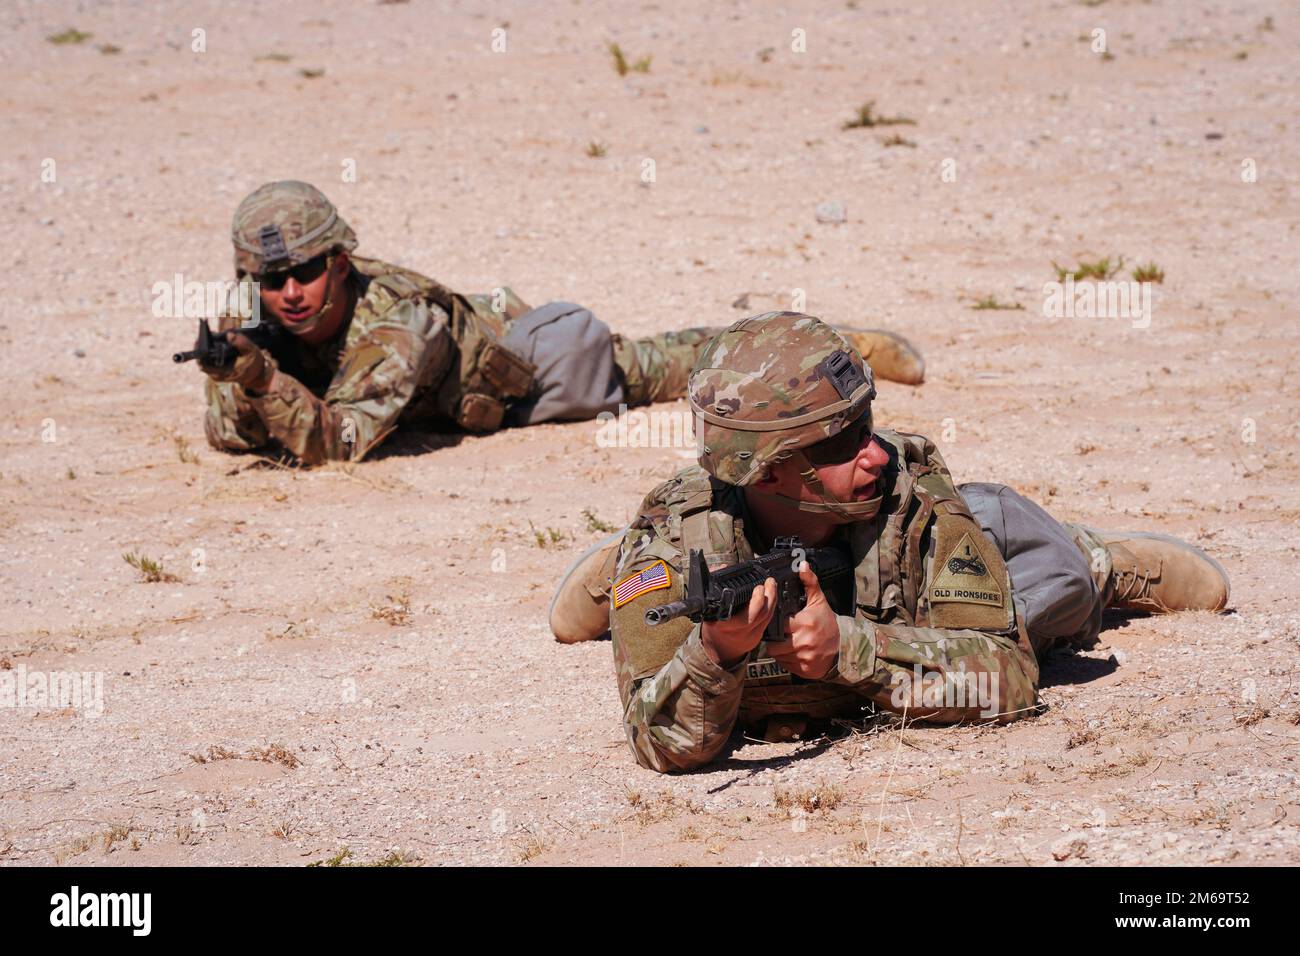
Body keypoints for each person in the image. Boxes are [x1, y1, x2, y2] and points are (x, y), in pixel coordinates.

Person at [549, 312, 1229, 773]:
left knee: (1056, 593)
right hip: (702, 542)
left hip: (958, 558)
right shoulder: (678, 536)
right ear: (770, 467)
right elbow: (662, 743)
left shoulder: (909, 491)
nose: (874, 451)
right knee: (660, 579)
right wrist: (715, 651)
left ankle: (1097, 559)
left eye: (866, 422)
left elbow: (1012, 678)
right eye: (842, 442)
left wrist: (854, 651)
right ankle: (622, 574)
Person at [194, 181, 926, 465]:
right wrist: (241, 377)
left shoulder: (400, 327)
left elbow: (340, 442)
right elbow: (230, 429)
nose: (287, 292)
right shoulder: (252, 318)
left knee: (648, 370)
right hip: (437, 383)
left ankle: (828, 343)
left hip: (519, 371)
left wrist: (258, 380)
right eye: (269, 279)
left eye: (305, 271)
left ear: (341, 261)